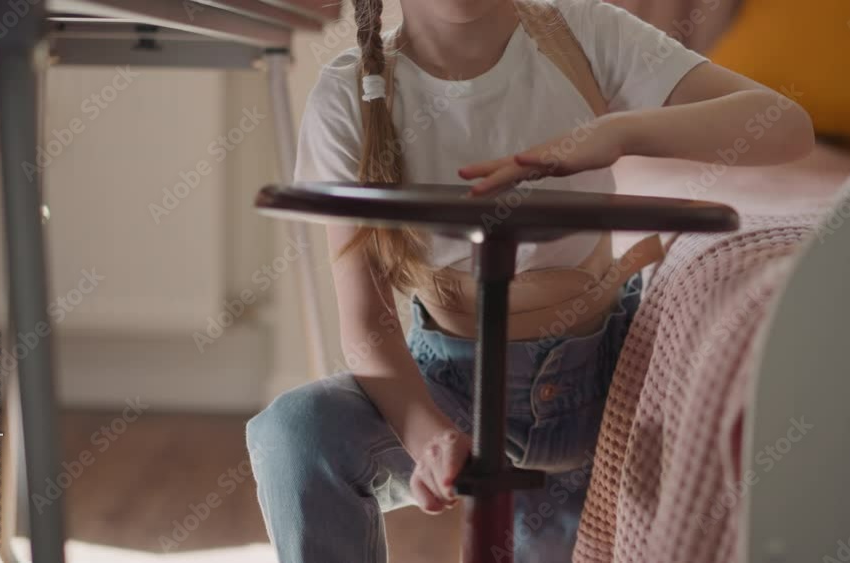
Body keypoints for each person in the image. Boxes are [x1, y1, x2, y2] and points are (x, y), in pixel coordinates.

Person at [246, 0, 815, 561]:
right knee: (294, 434)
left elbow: (786, 126)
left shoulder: (586, 32)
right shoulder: (348, 96)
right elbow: (367, 322)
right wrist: (429, 438)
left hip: (607, 384)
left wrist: (618, 133)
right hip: (451, 388)